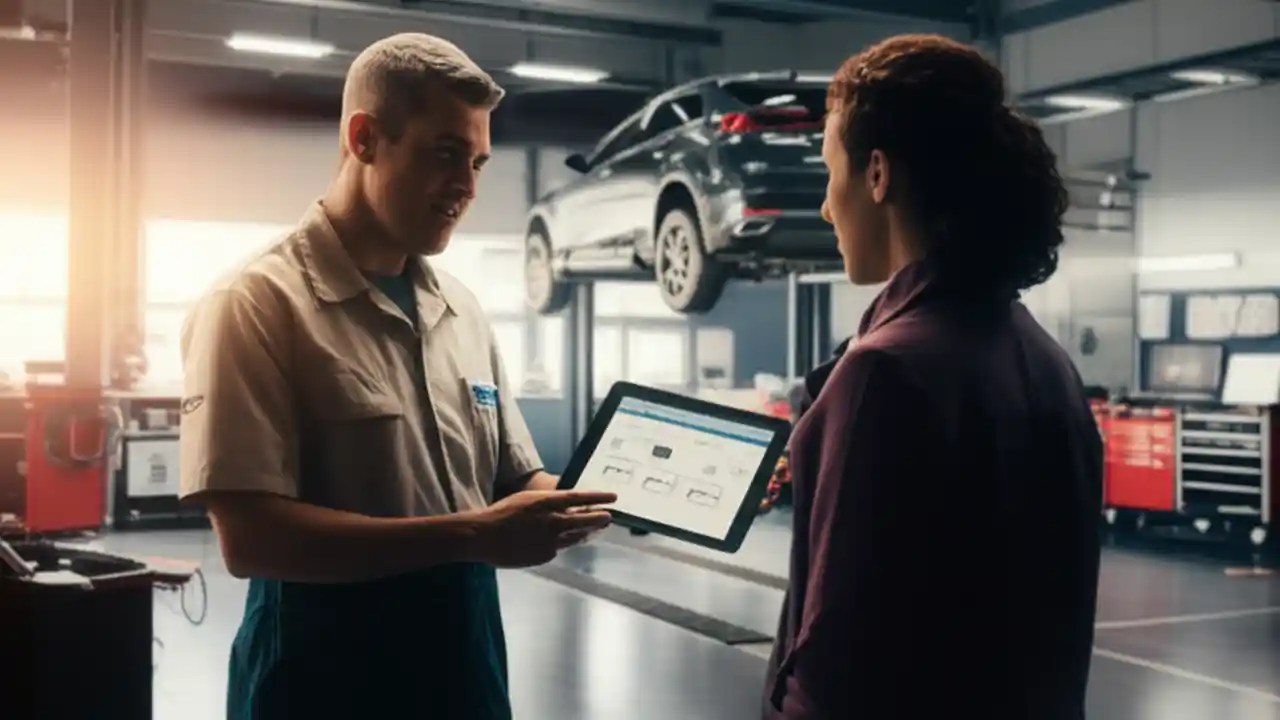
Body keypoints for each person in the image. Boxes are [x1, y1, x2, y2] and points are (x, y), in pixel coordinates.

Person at [178, 33, 615, 720]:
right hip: (320, 690)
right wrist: (475, 537)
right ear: (365, 139)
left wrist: (618, 493)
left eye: (478, 162)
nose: (468, 187)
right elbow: (252, 538)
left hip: (464, 678)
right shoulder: (255, 305)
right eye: (445, 154)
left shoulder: (461, 311)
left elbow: (513, 482)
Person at [764, 35, 1103, 719]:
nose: (827, 207)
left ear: (877, 174)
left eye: (830, 173)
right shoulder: (1044, 359)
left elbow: (837, 667)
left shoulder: (882, 372)